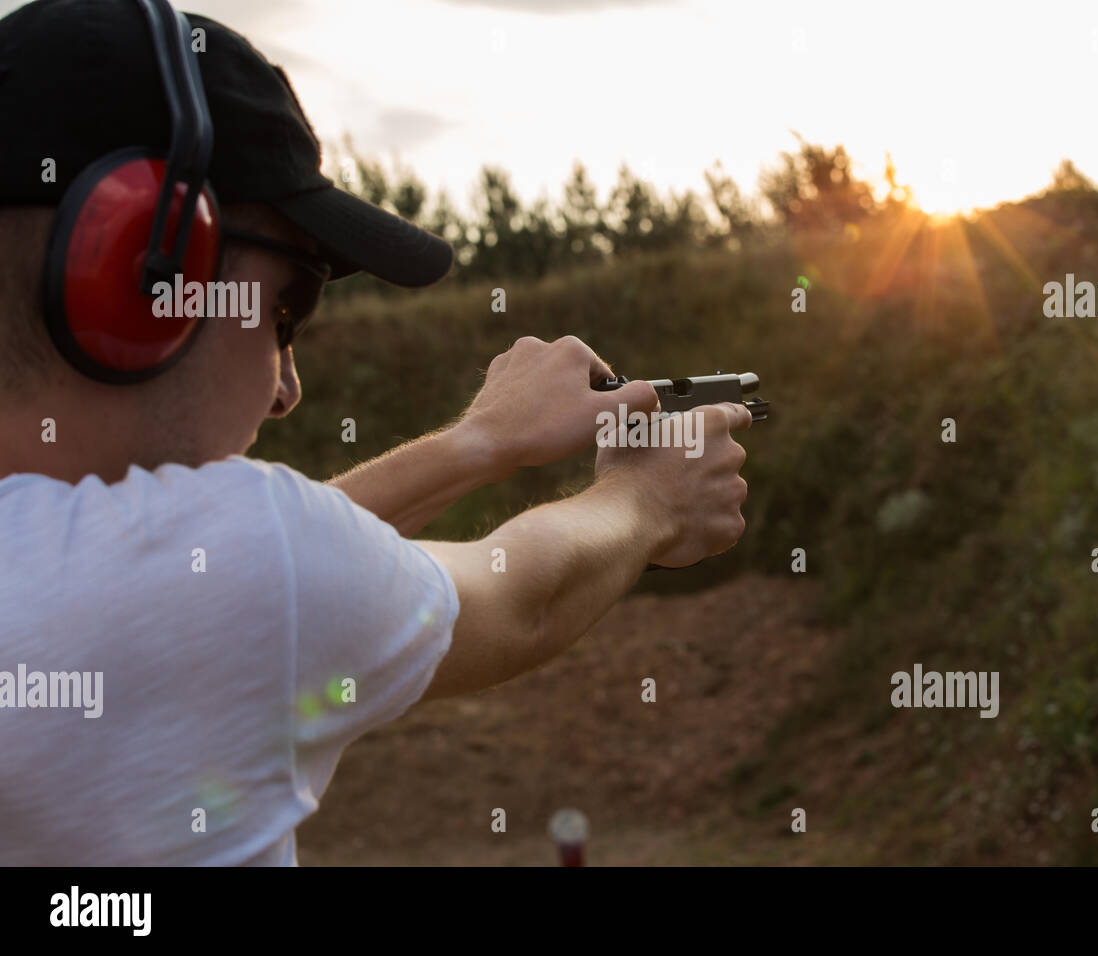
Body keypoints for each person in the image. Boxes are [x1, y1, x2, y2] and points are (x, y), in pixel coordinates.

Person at [0, 0, 750, 865]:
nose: (288, 388)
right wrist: (648, 499)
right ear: (140, 273)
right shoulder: (235, 563)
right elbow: (519, 602)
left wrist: (482, 442)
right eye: (286, 309)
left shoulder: (126, 575)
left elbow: (194, 567)